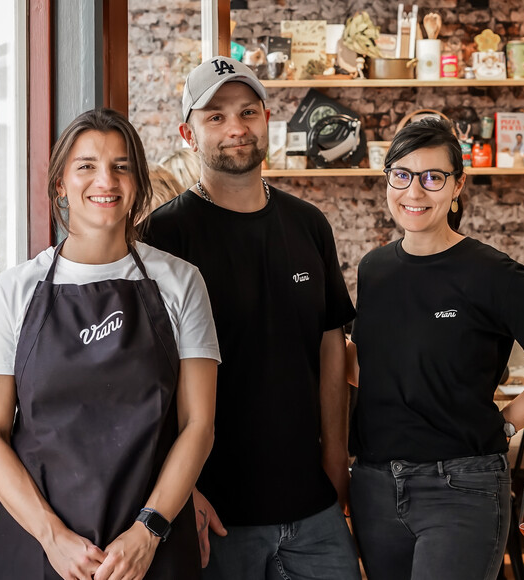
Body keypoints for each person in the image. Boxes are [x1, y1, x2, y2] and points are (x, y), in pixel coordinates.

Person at [0, 108, 220, 580]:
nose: (106, 180)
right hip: (39, 550)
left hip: (151, 551)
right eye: (86, 165)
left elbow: (198, 426)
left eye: (121, 166)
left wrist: (148, 532)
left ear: (137, 182)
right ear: (60, 184)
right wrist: (52, 537)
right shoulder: (12, 291)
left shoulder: (181, 282)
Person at [141, 56, 361, 580]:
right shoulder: (163, 237)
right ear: (188, 134)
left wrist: (336, 461)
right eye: (215, 116)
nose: (235, 128)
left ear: (266, 118)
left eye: (247, 112)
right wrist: (180, 492)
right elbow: (147, 381)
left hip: (313, 508)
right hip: (214, 515)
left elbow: (330, 348)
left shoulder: (309, 224)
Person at [346, 117, 524, 580]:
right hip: (375, 487)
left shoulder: (494, 274)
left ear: (457, 186)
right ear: (387, 179)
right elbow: (368, 368)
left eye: (433, 177)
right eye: (402, 175)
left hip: (462, 487)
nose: (414, 191)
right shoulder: (374, 270)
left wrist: (509, 423)